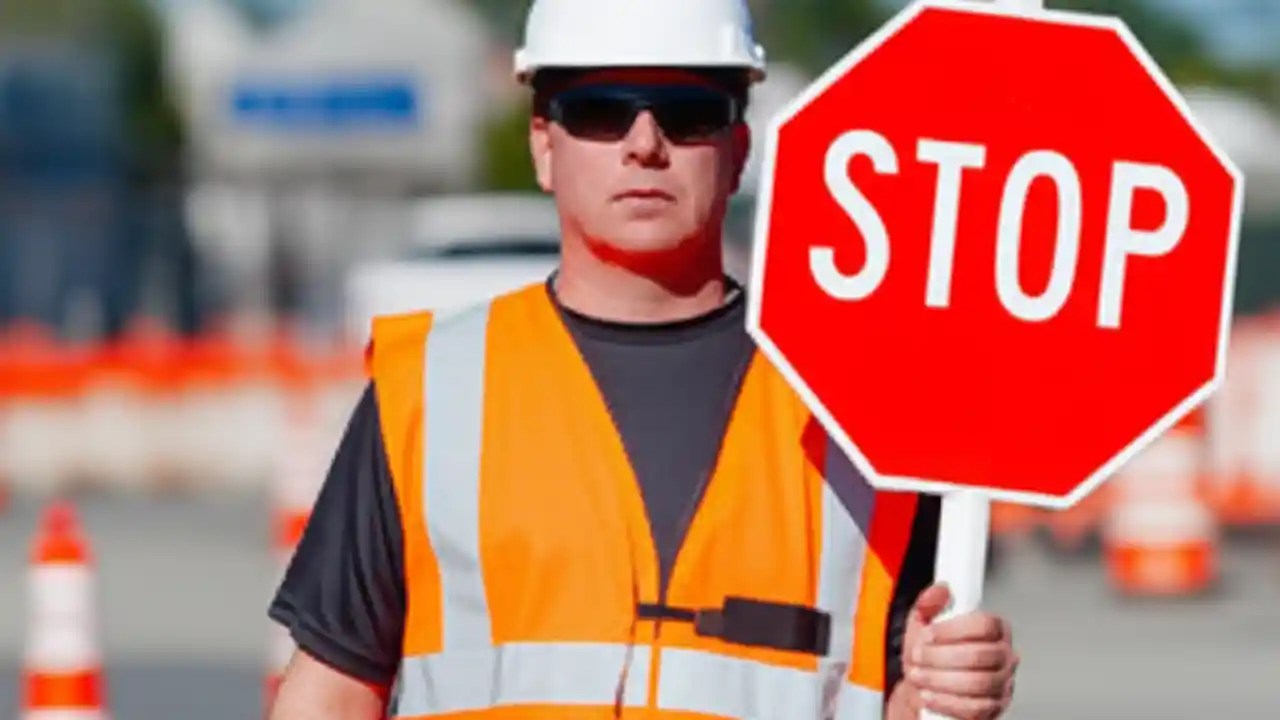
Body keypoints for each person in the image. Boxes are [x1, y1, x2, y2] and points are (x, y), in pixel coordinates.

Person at [267, 1, 1019, 718]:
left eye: (688, 115)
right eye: (600, 110)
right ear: (542, 145)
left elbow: (887, 693)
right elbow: (331, 692)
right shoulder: (431, 387)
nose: (644, 144)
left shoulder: (856, 407)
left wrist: (936, 695)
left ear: (739, 150)